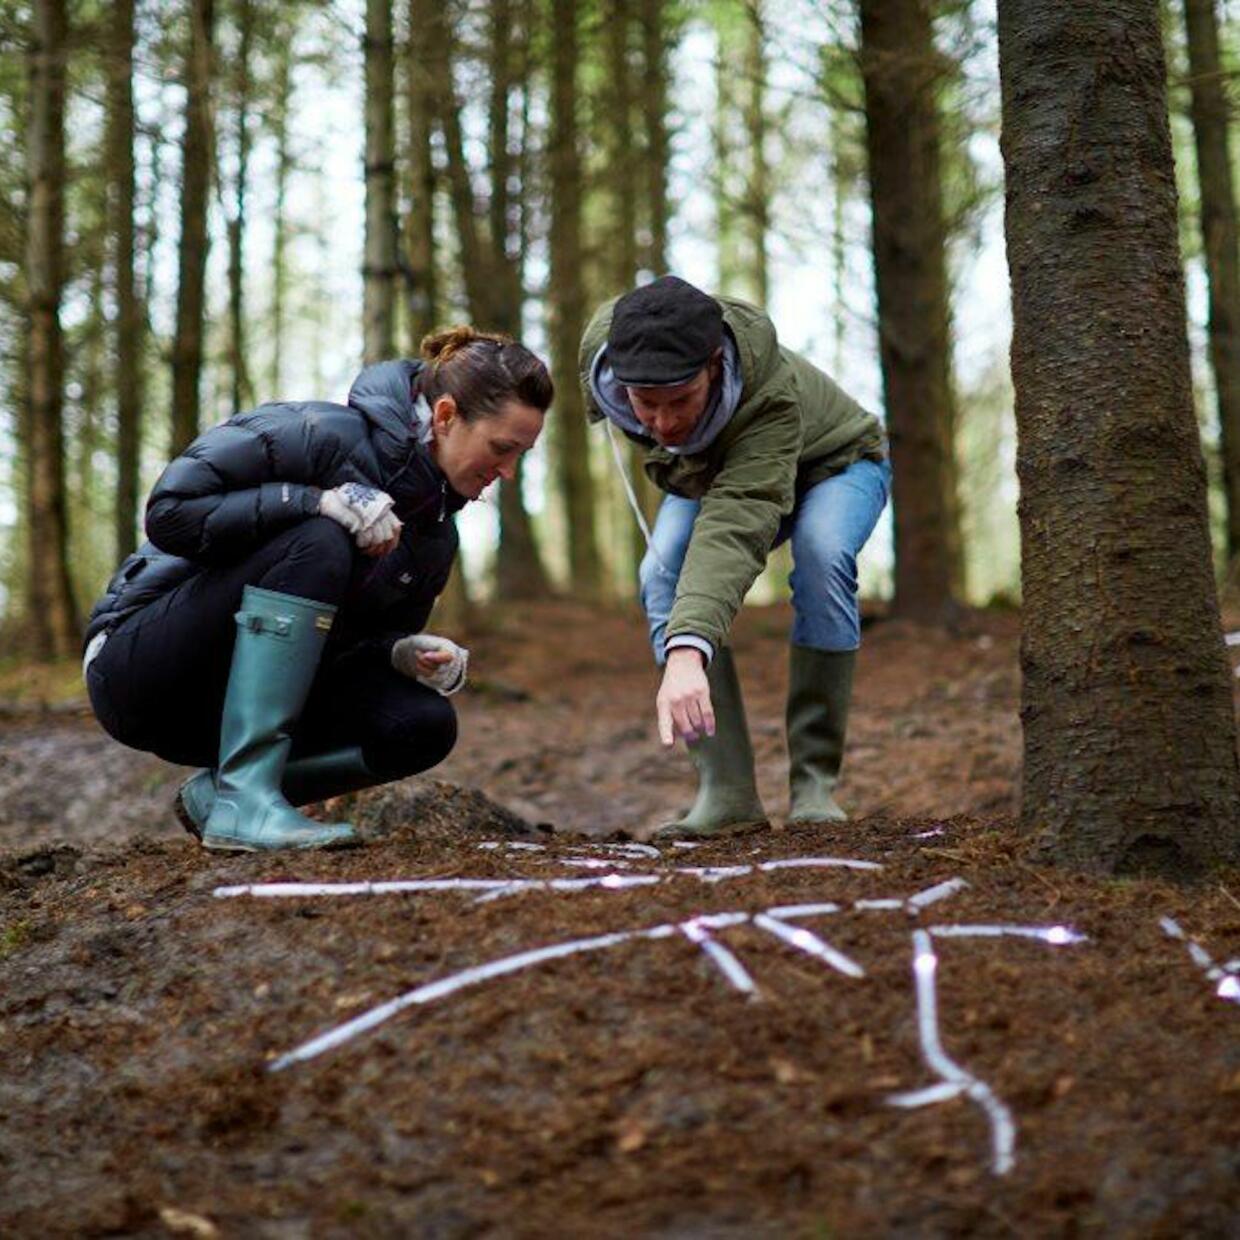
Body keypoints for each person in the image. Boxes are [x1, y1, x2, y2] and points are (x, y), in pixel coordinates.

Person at [84, 327, 552, 853]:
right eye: (502, 448)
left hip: (216, 713)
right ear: (445, 417)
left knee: (422, 725)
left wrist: (397, 653)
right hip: (137, 666)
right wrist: (314, 502)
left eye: (522, 455)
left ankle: (225, 794)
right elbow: (170, 513)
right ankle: (246, 798)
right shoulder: (316, 432)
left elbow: (340, 650)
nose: (509, 471)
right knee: (321, 538)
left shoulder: (436, 534)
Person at [579, 275, 890, 841]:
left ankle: (815, 785)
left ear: (716, 367)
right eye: (646, 405)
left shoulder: (766, 397)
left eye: (682, 402)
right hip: (713, 474)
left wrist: (685, 650)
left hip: (835, 464)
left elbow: (735, 525)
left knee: (821, 555)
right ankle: (726, 794)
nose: (666, 424)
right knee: (660, 572)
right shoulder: (608, 350)